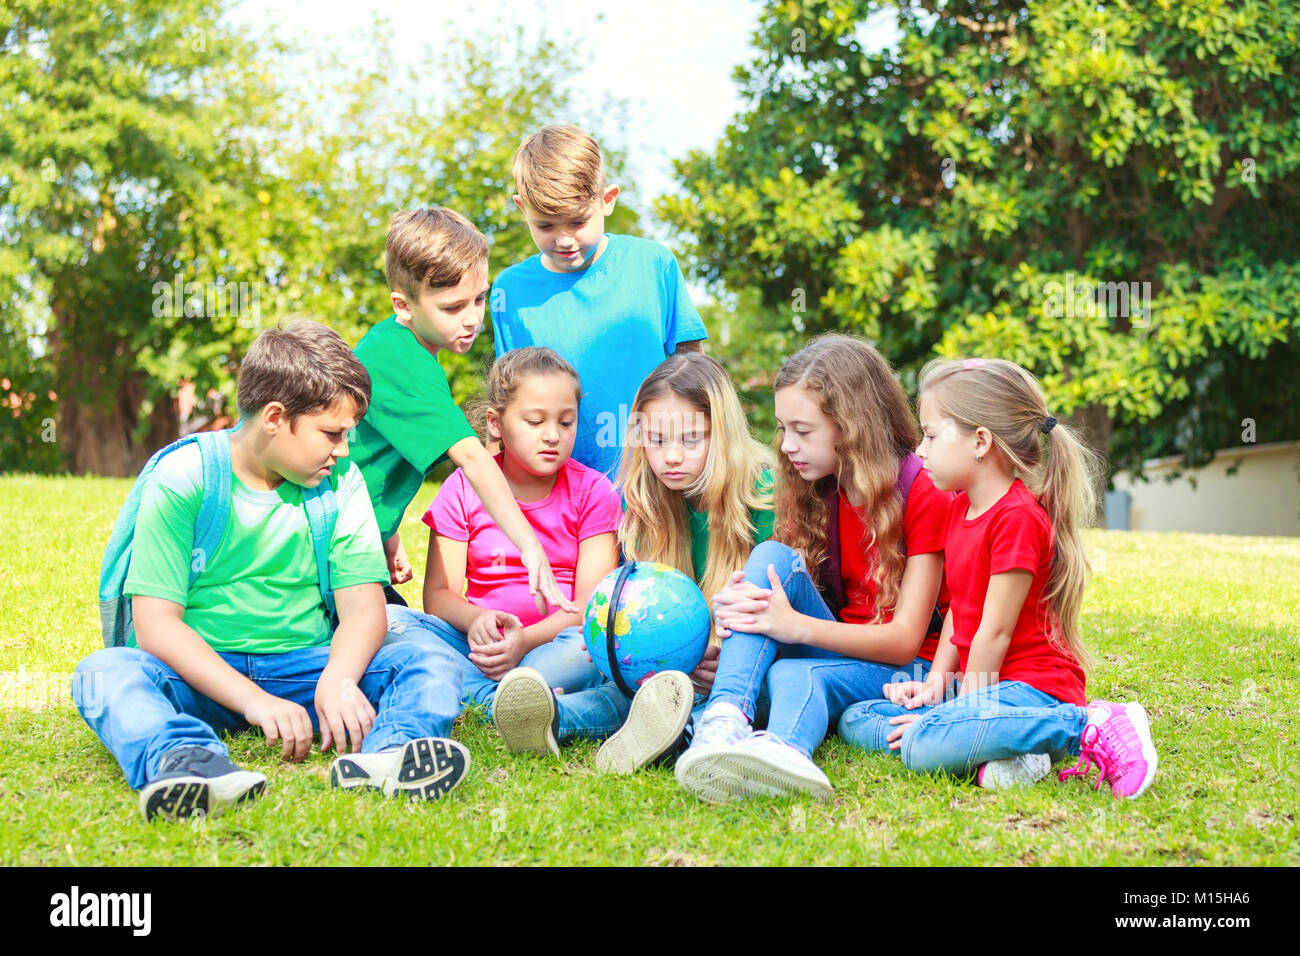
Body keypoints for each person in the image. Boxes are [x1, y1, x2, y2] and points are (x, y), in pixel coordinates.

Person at [73, 320, 471, 822]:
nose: (345, 450)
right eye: (332, 433)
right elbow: (156, 626)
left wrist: (340, 679)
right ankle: (185, 763)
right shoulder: (185, 478)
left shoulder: (342, 484)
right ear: (276, 417)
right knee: (103, 673)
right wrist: (256, 703)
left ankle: (392, 754)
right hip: (199, 672)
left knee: (427, 662)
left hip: (308, 666)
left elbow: (364, 609)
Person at [836, 357, 1158, 799]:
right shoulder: (956, 506)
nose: (920, 451)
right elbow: (960, 614)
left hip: (1033, 690)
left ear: (980, 442)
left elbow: (994, 633)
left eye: (930, 436)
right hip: (984, 688)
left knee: (920, 746)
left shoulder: (1017, 518)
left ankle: (1087, 725)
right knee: (858, 719)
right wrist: (935, 687)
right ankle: (1006, 753)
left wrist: (956, 715)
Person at [675, 335, 952, 802]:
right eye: (783, 429)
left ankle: (783, 751)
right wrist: (740, 617)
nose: (786, 446)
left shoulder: (921, 490)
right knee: (769, 563)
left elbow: (905, 639)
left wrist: (792, 625)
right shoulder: (820, 488)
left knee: (793, 676)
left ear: (851, 426)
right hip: (844, 649)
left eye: (802, 431)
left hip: (912, 665)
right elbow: (785, 600)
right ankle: (723, 720)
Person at [490, 353, 775, 773]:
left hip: (741, 665)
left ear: (724, 434)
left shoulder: (763, 492)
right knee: (614, 676)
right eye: (657, 441)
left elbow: (783, 609)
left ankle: (685, 734)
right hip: (671, 664)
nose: (671, 457)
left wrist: (723, 655)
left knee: (754, 690)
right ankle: (557, 718)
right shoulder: (646, 497)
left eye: (691, 440)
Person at [350, 207, 574, 618]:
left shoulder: (391, 342)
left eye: (479, 299)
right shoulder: (403, 360)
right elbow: (473, 456)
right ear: (403, 305)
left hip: (353, 542)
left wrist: (387, 534)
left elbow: (368, 450)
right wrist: (530, 545)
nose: (472, 319)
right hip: (321, 550)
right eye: (453, 308)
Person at [383, 348, 622, 721]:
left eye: (565, 422)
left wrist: (523, 641)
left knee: (591, 646)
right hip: (476, 648)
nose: (552, 436)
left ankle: (479, 699)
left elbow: (589, 608)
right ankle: (515, 704)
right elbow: (438, 597)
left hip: (552, 646)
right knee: (386, 619)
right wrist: (478, 621)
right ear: (496, 423)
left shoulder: (593, 491)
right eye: (534, 421)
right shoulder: (462, 487)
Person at [490, 124, 708, 480]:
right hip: (559, 494)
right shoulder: (509, 291)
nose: (564, 240)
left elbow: (694, 370)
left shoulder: (653, 264)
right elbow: (506, 399)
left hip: (655, 484)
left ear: (608, 200)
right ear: (521, 208)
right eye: (545, 226)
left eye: (578, 221)